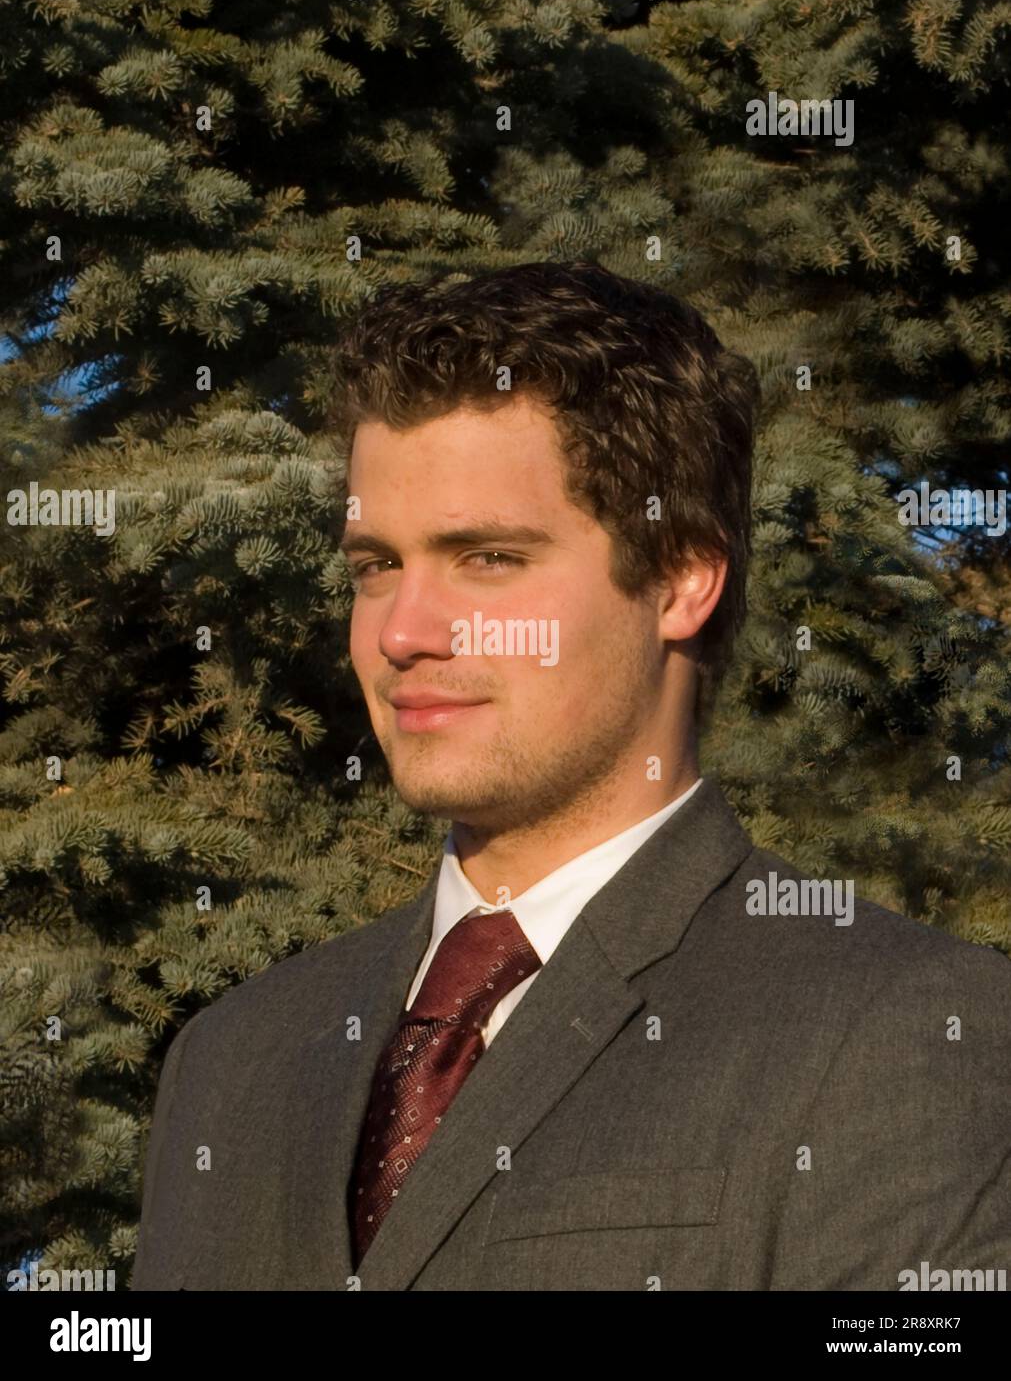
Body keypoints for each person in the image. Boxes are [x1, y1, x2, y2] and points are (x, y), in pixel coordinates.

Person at [132, 261, 1010, 1291]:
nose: (402, 632)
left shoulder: (905, 1030)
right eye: (376, 566)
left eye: (488, 558)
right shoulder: (235, 1060)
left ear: (682, 576)